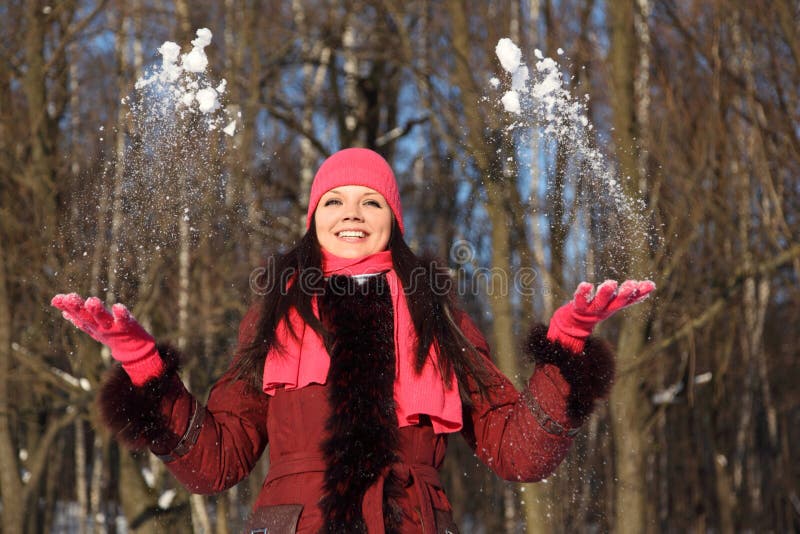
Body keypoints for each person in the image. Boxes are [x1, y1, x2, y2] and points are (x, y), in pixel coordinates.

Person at [52, 148, 654, 533]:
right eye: (335, 199)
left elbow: (516, 451)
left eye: (372, 200)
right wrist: (143, 365)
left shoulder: (437, 314)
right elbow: (217, 462)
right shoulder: (276, 313)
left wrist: (567, 350)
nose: (353, 211)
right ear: (314, 216)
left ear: (393, 218)